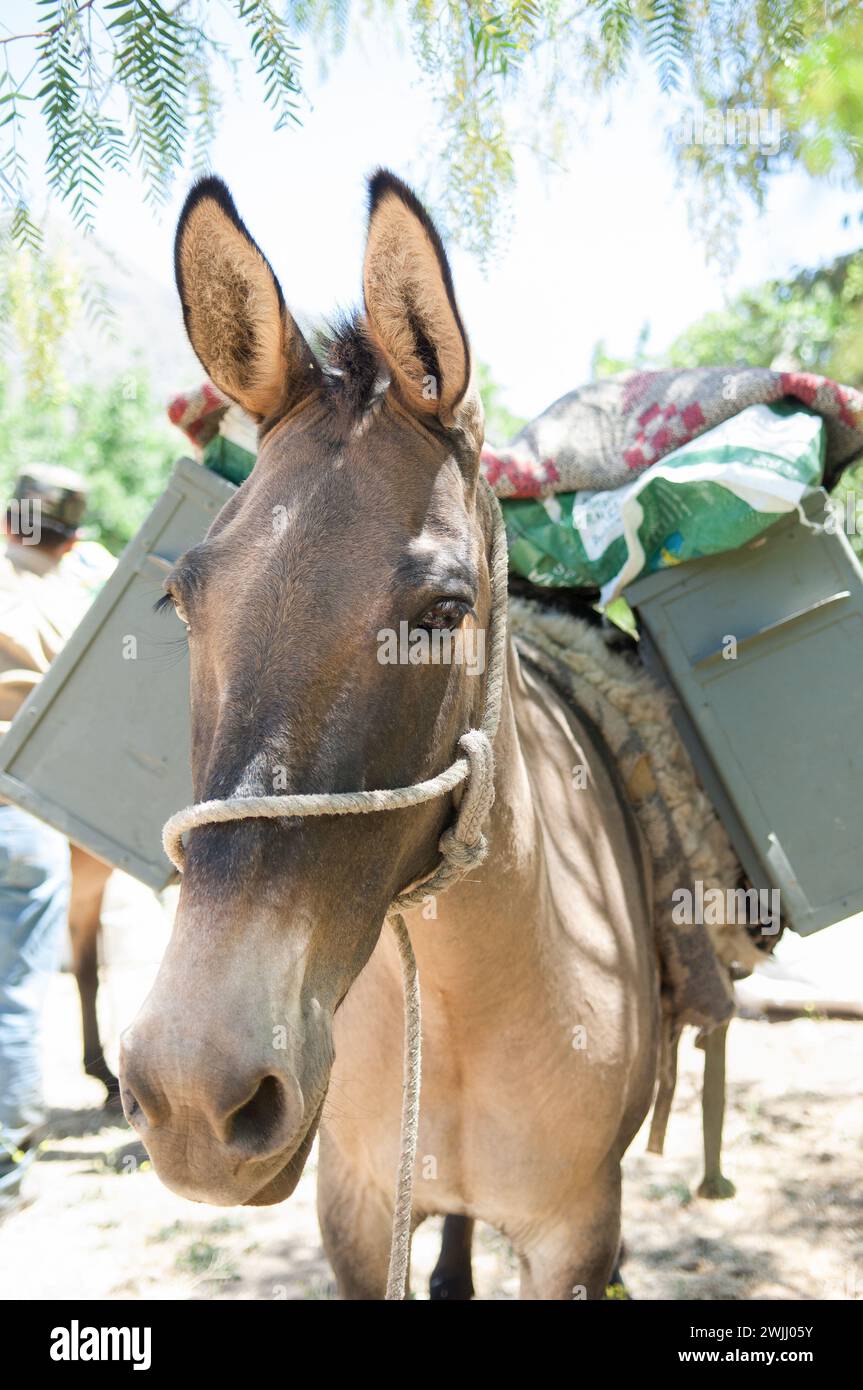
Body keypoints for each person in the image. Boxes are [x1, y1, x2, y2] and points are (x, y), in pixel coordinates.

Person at [0, 465, 94, 1219]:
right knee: (18, 994)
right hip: (24, 813)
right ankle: (4, 1169)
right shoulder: (74, 601)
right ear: (70, 542)